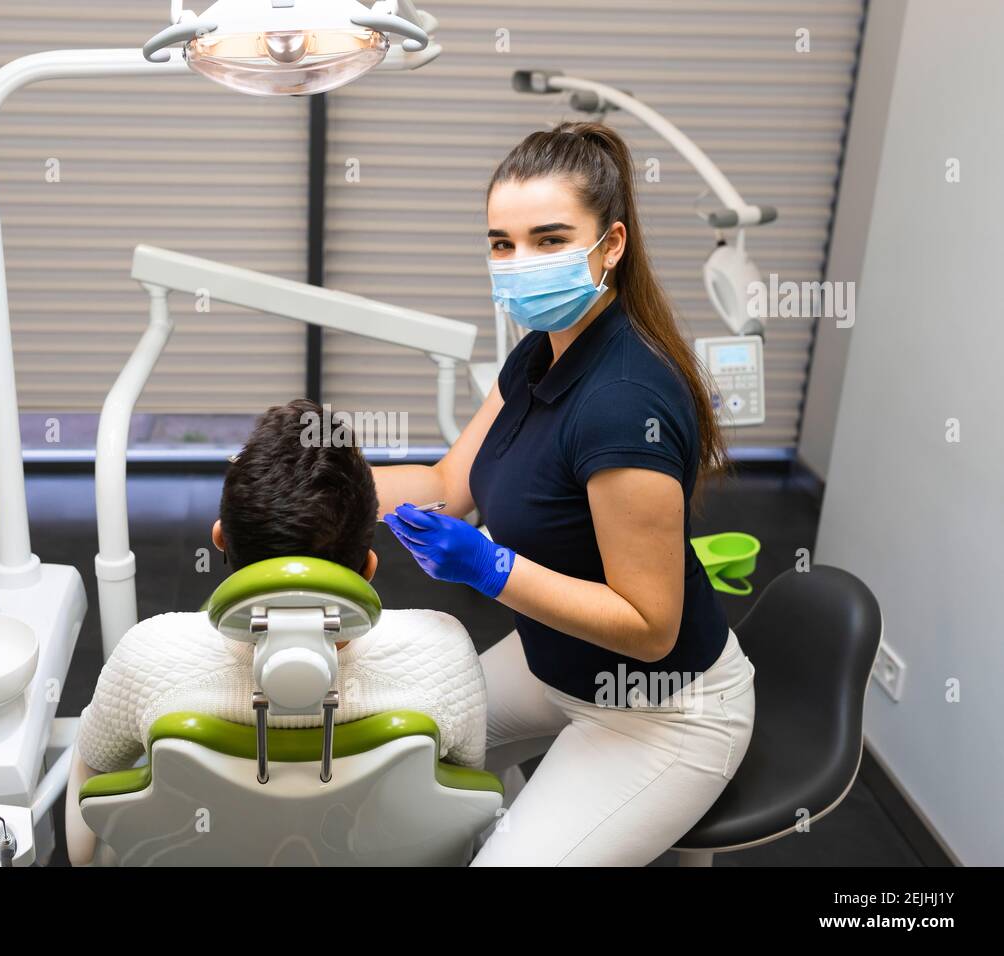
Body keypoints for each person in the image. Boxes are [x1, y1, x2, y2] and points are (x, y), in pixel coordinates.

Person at [375, 121, 756, 866]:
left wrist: (491, 570)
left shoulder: (622, 401)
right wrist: (308, 475)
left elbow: (650, 627)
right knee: (387, 766)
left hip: (662, 714)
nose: (518, 264)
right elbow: (449, 486)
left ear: (610, 245)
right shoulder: (538, 355)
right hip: (556, 666)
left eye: (549, 240)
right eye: (501, 243)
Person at [66, 398, 487, 865]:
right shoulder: (444, 654)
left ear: (220, 538)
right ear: (368, 565)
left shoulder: (147, 656)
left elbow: (92, 782)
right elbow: (461, 796)